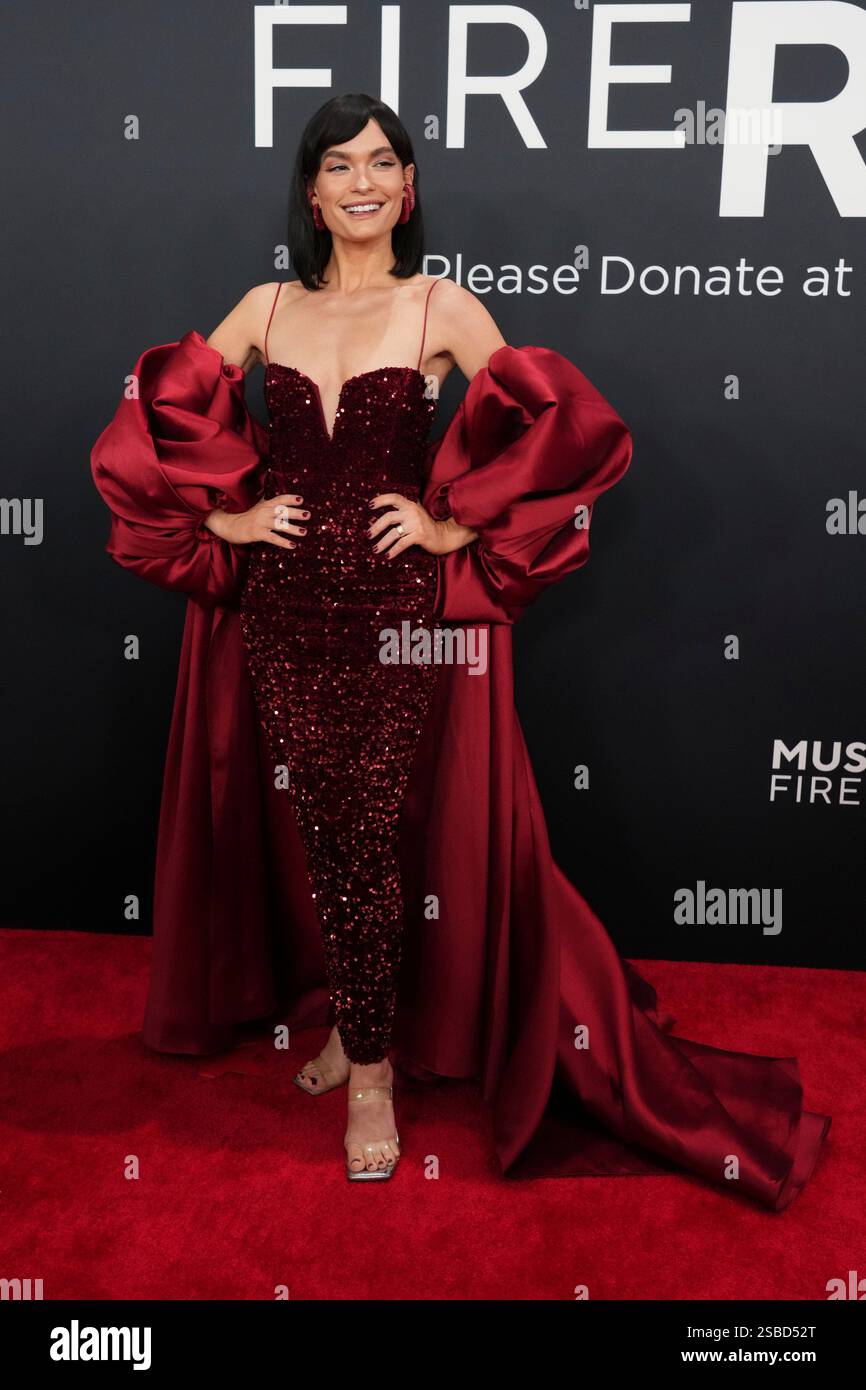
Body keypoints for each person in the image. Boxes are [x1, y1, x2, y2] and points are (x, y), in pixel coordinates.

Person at [91, 92, 830, 1200]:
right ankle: (352, 1026)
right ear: (309, 189)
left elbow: (563, 430)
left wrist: (448, 525)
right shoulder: (267, 305)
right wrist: (224, 521)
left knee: (373, 833)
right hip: (286, 614)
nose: (359, 182)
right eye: (337, 165)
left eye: (381, 162)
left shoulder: (440, 304)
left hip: (397, 621)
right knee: (324, 832)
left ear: (407, 185)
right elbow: (148, 422)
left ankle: (374, 1071)